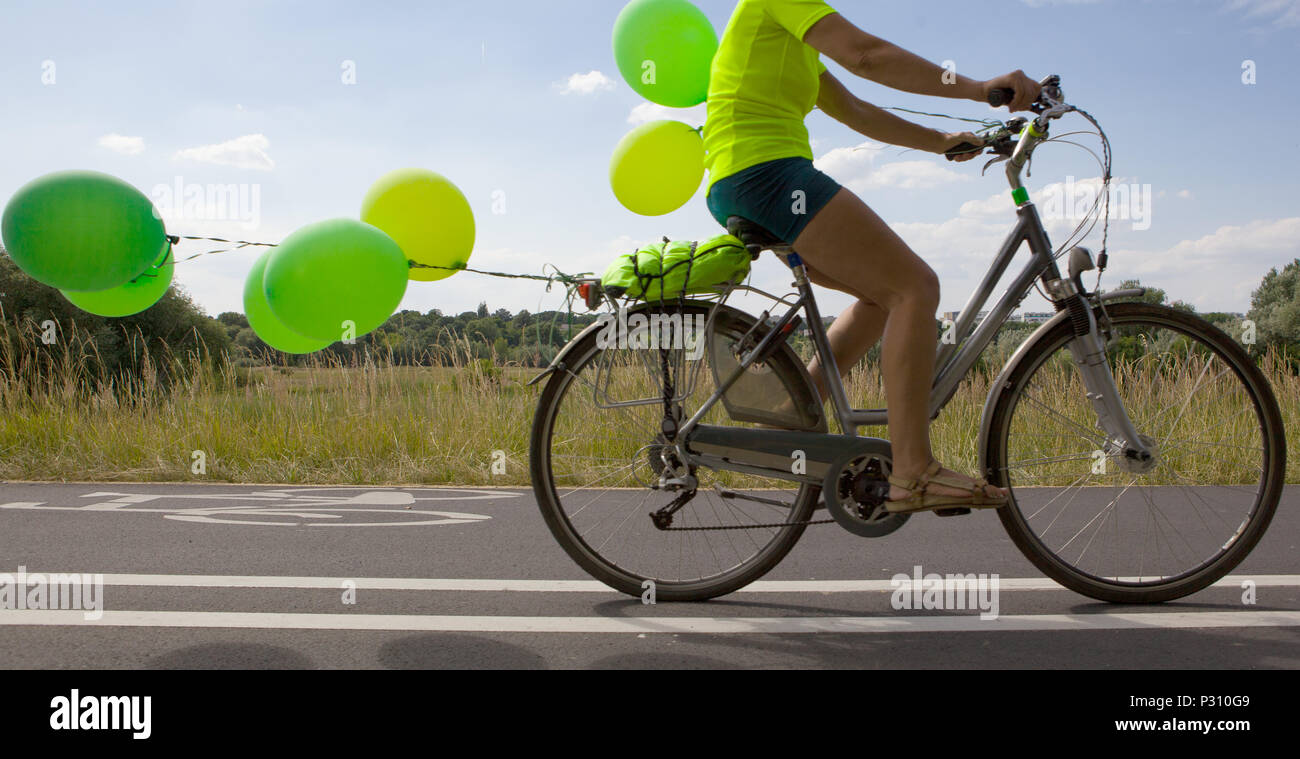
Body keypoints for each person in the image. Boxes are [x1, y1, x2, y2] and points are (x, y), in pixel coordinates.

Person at [703, 0, 1041, 512]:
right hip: (767, 174)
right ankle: (914, 472)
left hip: (744, 181)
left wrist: (942, 142)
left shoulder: (789, 41)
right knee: (915, 287)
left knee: (882, 298)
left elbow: (856, 110)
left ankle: (801, 417)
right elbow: (865, 55)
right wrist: (979, 88)